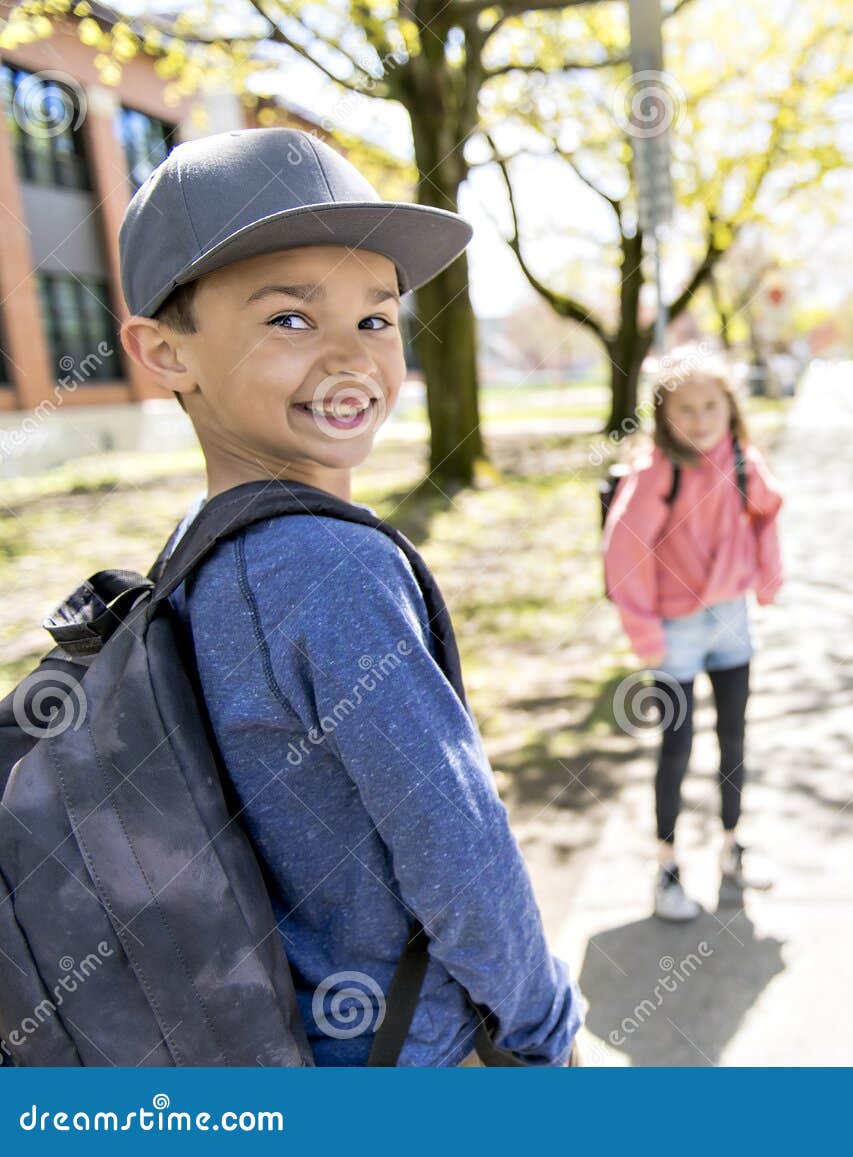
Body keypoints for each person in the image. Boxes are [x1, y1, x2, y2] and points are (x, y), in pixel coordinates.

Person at [116, 128, 581, 1066]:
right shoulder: (329, 565)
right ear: (165, 352)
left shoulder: (199, 549)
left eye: (375, 319)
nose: (349, 358)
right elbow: (461, 851)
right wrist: (545, 1033)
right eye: (290, 318)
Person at [602, 350, 784, 922]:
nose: (702, 419)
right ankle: (667, 865)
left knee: (734, 738)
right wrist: (645, 635)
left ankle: (732, 846)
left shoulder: (741, 463)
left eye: (712, 406)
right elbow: (623, 554)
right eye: (687, 408)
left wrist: (766, 577)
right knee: (676, 746)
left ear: (731, 408)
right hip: (674, 627)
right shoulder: (659, 472)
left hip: (730, 619)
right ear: (664, 415)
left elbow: (768, 512)